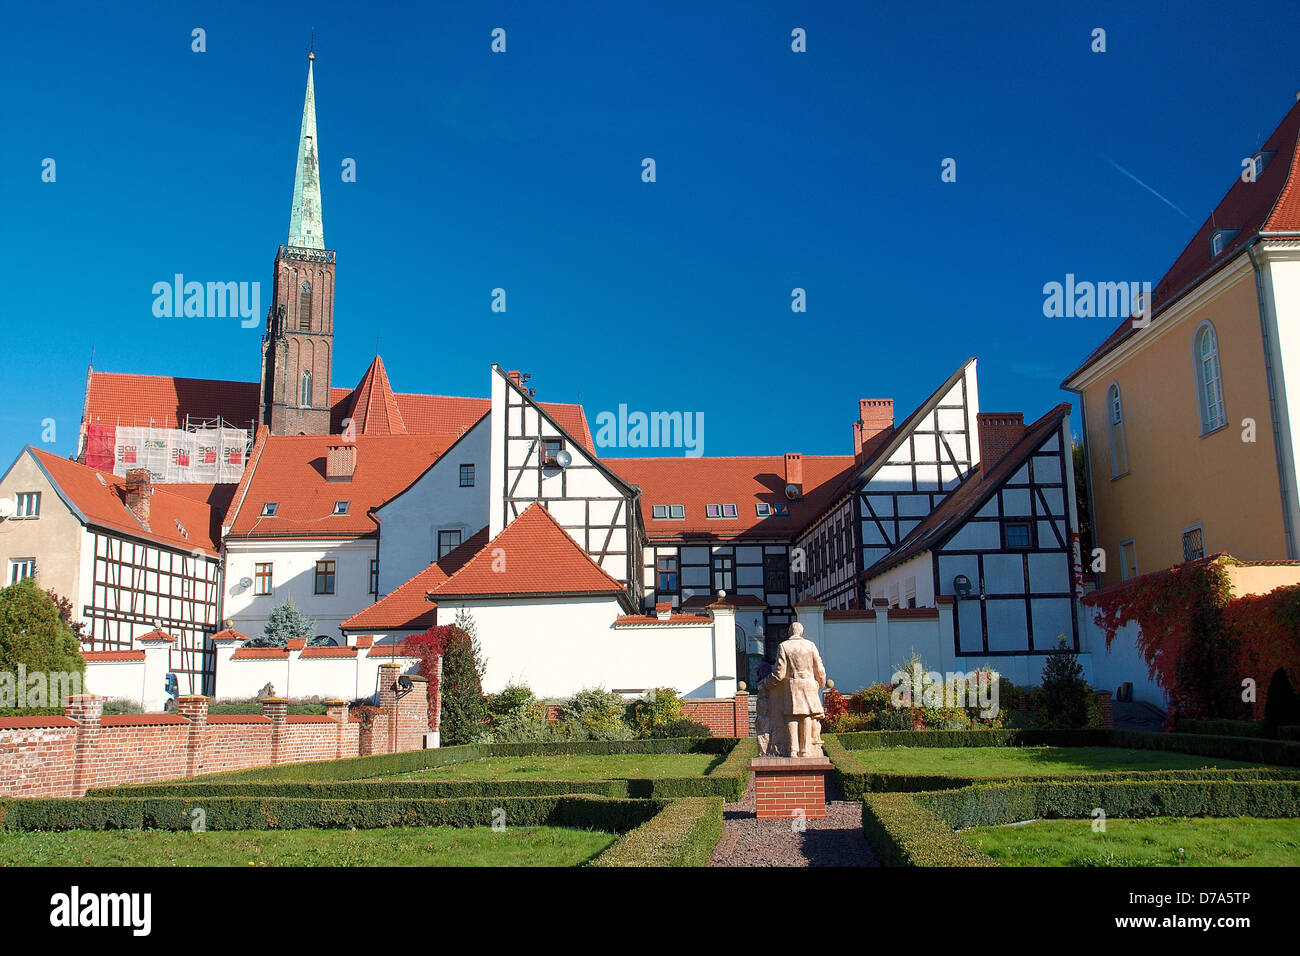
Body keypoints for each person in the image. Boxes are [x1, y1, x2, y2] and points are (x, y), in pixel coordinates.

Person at [772, 621, 827, 757]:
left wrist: (767, 682)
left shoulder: (784, 646)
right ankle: (805, 750)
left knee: (791, 715)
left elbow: (780, 673)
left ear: (790, 632)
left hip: (793, 684)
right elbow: (819, 669)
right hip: (808, 683)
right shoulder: (810, 645)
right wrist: (820, 684)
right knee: (806, 715)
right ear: (801, 632)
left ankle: (792, 750)